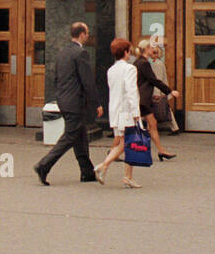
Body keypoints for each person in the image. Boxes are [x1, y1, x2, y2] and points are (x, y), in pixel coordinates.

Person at [34, 22, 101, 185]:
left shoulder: (62, 52)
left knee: (80, 135)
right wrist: (96, 103)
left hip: (64, 100)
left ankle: (87, 172)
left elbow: (56, 78)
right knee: (71, 135)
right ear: (82, 34)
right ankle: (44, 165)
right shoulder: (81, 53)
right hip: (75, 102)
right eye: (87, 33)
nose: (88, 36)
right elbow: (87, 81)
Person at [95, 38, 142, 188]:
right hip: (127, 111)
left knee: (125, 143)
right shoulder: (130, 69)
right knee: (128, 143)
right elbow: (131, 91)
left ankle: (127, 176)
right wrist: (136, 111)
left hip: (115, 111)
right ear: (126, 52)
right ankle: (104, 166)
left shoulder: (111, 70)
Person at [133, 41, 176, 160]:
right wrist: (170, 91)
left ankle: (161, 150)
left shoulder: (138, 62)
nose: (155, 50)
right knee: (136, 125)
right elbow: (153, 80)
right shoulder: (144, 63)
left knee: (152, 124)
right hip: (142, 99)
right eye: (152, 48)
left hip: (141, 99)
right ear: (146, 49)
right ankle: (115, 149)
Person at [146, 42, 180, 134]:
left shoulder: (156, 64)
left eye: (154, 52)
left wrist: (156, 93)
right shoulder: (158, 63)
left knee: (155, 109)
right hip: (162, 91)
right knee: (166, 108)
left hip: (159, 92)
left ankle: (150, 128)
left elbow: (158, 79)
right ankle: (174, 127)